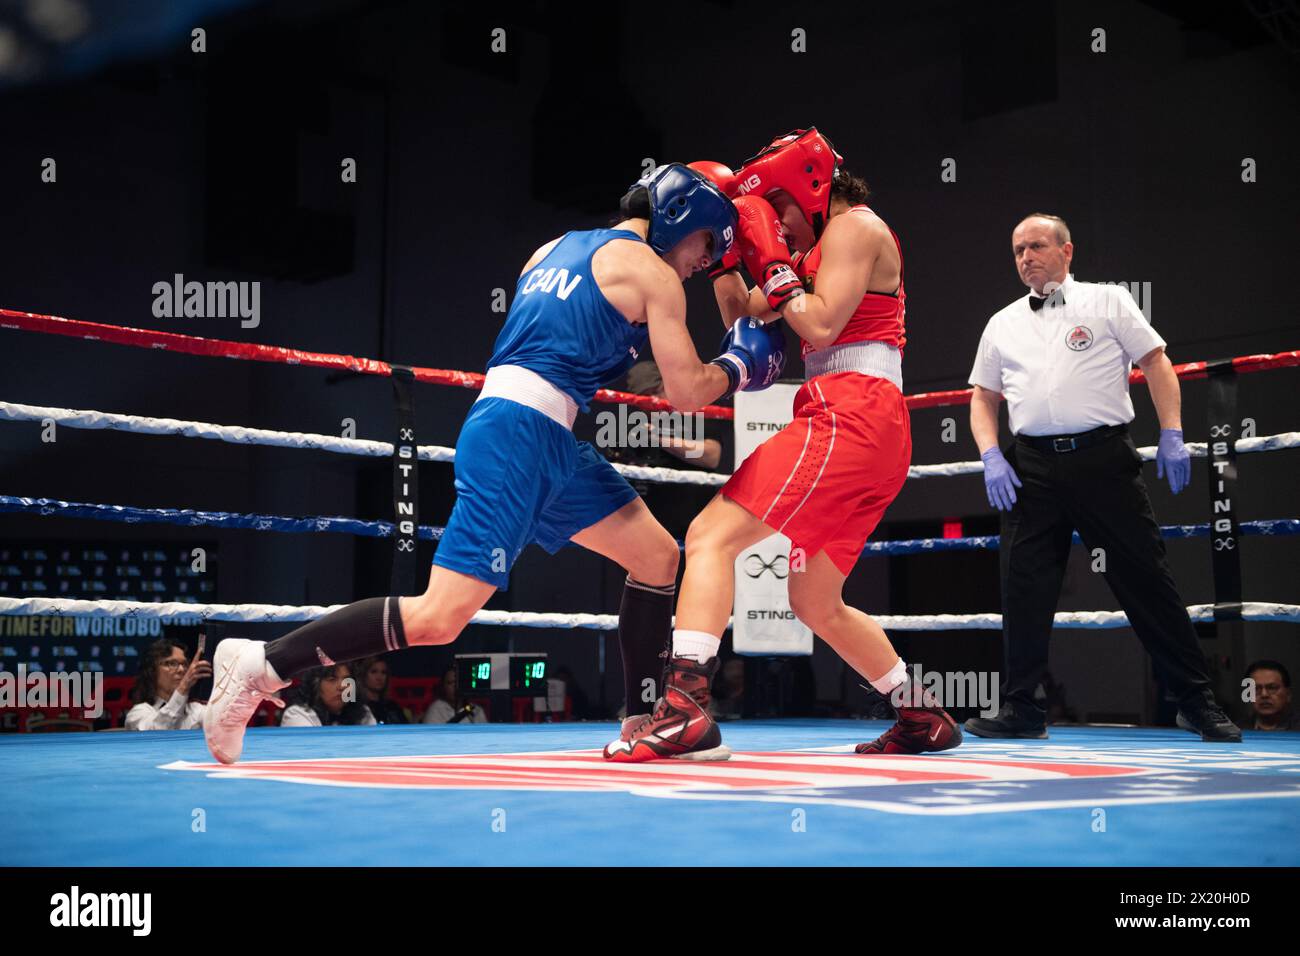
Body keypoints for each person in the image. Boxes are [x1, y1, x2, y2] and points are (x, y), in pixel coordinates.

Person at [203, 162, 785, 764]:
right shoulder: (653, 275)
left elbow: (563, 340)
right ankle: (259, 666)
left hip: (540, 433)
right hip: (520, 434)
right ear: (679, 218)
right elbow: (687, 393)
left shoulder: (551, 249)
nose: (703, 260)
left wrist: (726, 278)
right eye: (706, 244)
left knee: (657, 556)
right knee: (440, 617)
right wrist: (740, 366)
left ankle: (644, 720)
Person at [609, 128, 962, 761]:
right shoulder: (814, 249)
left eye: (781, 211)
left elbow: (819, 321)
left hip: (850, 413)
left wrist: (774, 265)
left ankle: (685, 706)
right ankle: (921, 714)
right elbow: (742, 313)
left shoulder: (855, 229)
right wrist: (725, 255)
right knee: (815, 599)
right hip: (867, 426)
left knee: (710, 536)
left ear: (809, 189)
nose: (782, 227)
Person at [964, 212, 1240, 742]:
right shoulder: (1002, 322)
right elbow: (983, 397)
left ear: (1067, 252)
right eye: (1018, 250)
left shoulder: (1109, 300)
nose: (1026, 257)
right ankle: (1022, 709)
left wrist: (1172, 432)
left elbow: (1157, 363)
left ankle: (1198, 703)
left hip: (1103, 460)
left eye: (1037, 246)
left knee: (1145, 578)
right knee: (1022, 587)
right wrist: (991, 454)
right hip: (1031, 468)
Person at [124, 638, 210, 731]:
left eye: (184, 664)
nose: (182, 670)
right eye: (172, 663)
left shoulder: (196, 710)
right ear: (152, 671)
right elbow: (159, 735)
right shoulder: (138, 714)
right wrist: (183, 687)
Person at [281, 663, 377, 727]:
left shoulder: (363, 712)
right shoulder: (297, 714)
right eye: (332, 679)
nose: (342, 687)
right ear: (315, 684)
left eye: (347, 680)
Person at [1244, 660, 1300, 731]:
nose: (1264, 694)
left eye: (1272, 688)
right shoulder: (1236, 731)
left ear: (1288, 694)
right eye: (1256, 689)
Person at [421, 666, 487, 724]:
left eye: (458, 682)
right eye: (450, 683)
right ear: (443, 686)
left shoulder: (476, 710)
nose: (455, 686)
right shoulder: (436, 710)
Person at [354, 655, 409, 724]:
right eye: (374, 672)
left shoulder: (392, 707)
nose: (379, 677)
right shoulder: (357, 707)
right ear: (364, 675)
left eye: (383, 672)